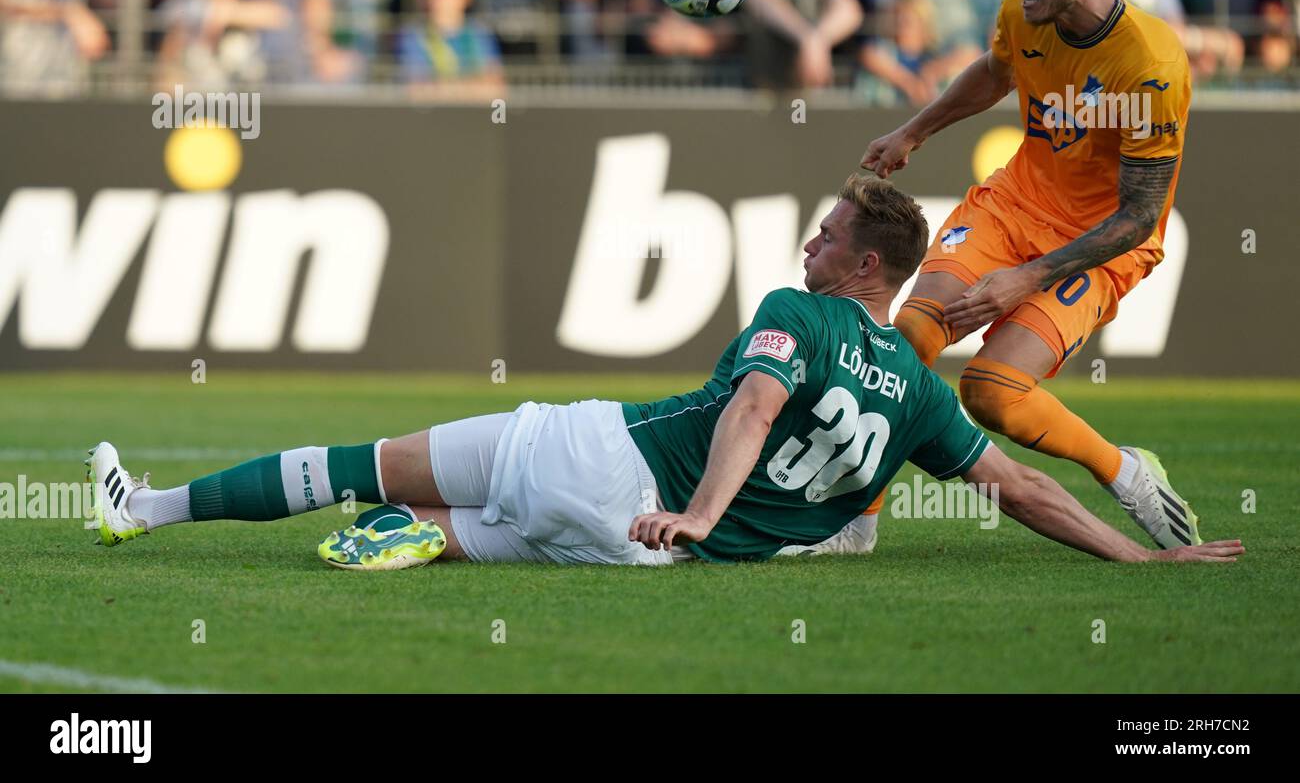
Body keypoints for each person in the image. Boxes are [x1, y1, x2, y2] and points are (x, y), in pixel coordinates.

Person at [85, 175, 1241, 571]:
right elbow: (1023, 486)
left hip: (617, 462)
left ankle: (146, 508)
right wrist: (1146, 552)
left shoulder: (803, 313)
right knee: (470, 521)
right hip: (637, 555)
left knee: (360, 462)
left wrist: (695, 503)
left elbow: (750, 405)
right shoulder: (925, 394)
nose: (809, 245)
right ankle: (431, 535)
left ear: (871, 263)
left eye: (829, 235)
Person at [860, 0, 1201, 553]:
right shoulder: (1024, 12)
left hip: (1099, 243)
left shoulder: (1149, 65)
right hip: (1014, 203)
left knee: (992, 394)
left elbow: (1137, 216)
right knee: (912, 335)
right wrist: (914, 130)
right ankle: (857, 519)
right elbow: (995, 73)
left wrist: (1025, 280)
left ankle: (1122, 470)